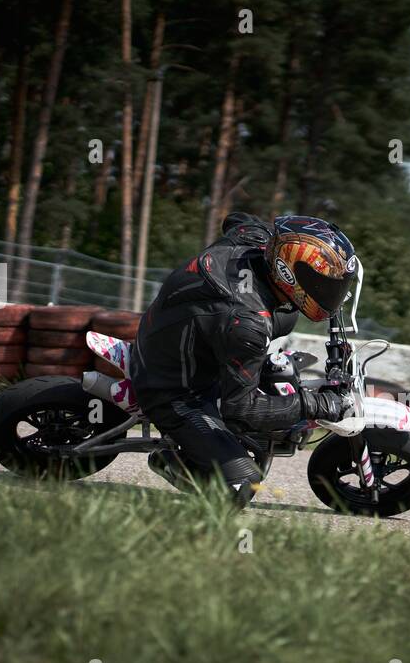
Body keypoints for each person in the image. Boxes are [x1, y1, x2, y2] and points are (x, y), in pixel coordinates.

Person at [129, 212, 357, 505]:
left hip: (182, 331)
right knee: (242, 486)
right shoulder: (248, 323)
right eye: (325, 285)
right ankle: (173, 462)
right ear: (288, 273)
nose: (333, 293)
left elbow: (237, 219)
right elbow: (241, 409)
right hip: (174, 385)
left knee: (285, 318)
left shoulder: (254, 240)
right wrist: (316, 405)